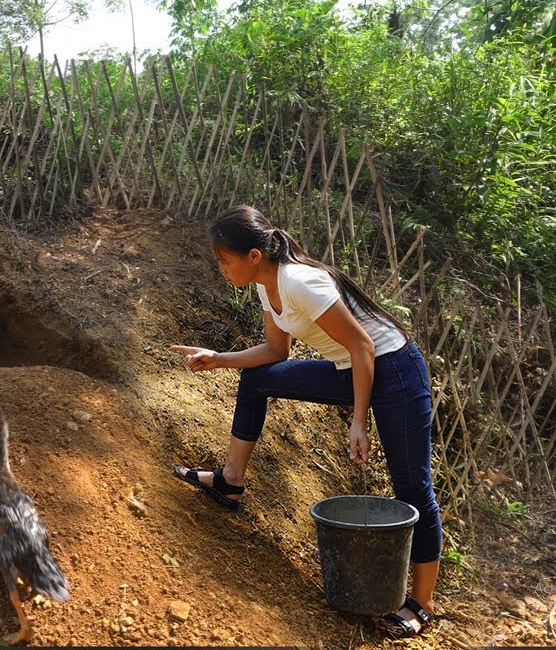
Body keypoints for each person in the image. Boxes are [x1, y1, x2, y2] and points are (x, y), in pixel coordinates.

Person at [169, 204, 440, 639]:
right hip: (351, 368)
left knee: (412, 486)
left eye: (224, 259)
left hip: (395, 372)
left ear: (253, 255)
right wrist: (218, 360)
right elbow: (275, 353)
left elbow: (364, 346)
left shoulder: (301, 282)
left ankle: (422, 604)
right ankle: (230, 481)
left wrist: (358, 421)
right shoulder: (266, 285)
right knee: (256, 379)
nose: (220, 268)